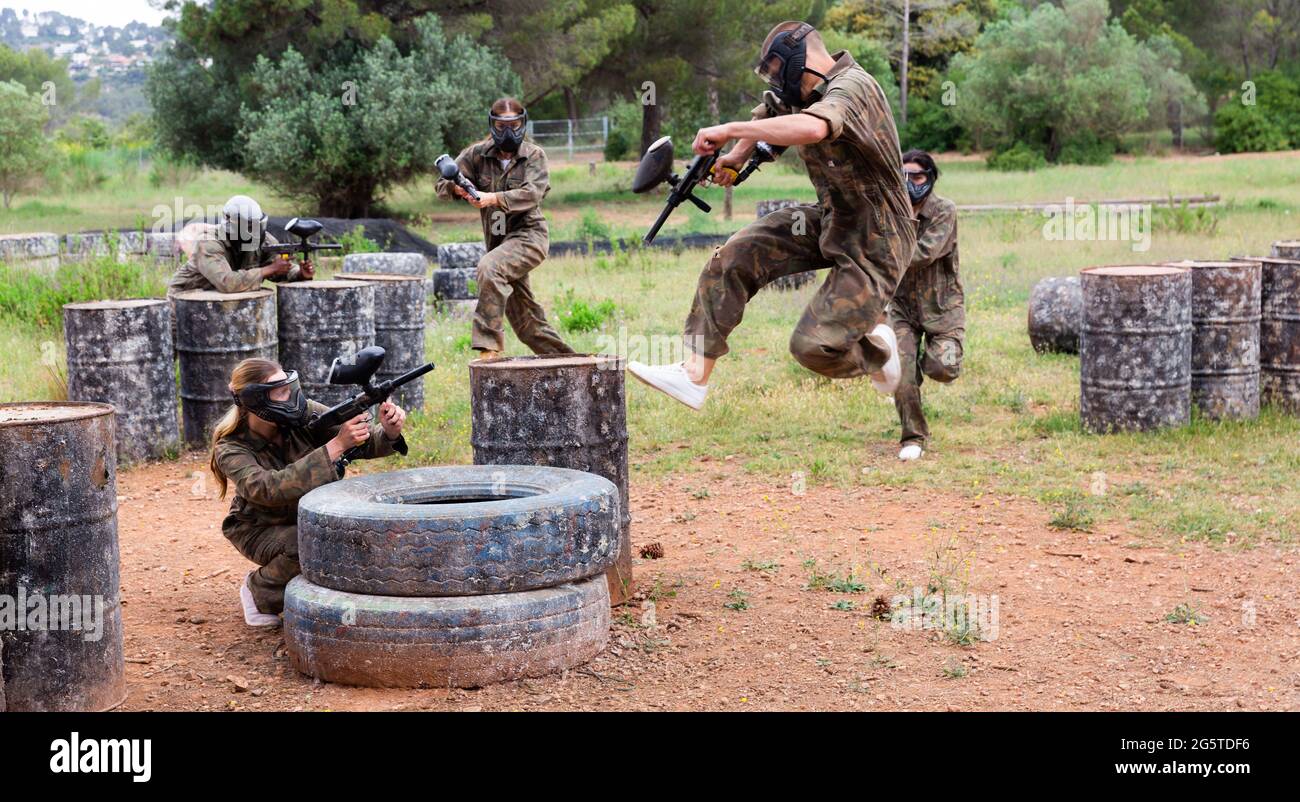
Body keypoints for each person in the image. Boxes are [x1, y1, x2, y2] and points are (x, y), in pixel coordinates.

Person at [627, 21, 917, 411]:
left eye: (779, 70)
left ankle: (880, 356)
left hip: (880, 235)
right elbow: (771, 111)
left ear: (800, 56)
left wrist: (729, 129)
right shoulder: (801, 92)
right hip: (833, 216)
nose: (778, 82)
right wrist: (735, 156)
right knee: (735, 255)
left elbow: (813, 128)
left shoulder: (852, 87)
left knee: (812, 347)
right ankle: (694, 376)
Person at [209, 358, 406, 626]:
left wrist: (389, 431)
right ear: (255, 399)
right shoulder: (231, 447)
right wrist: (335, 447)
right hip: (258, 527)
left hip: (307, 514)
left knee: (351, 539)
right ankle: (259, 592)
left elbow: (365, 443)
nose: (289, 396)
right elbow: (267, 489)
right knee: (307, 545)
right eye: (279, 392)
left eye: (288, 387)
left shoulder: (304, 415)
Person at [434, 97, 573, 361]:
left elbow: (532, 194)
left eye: (514, 124)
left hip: (529, 236)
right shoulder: (477, 154)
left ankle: (489, 349)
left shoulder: (534, 156)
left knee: (490, 267)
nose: (508, 132)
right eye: (500, 125)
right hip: (499, 242)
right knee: (528, 324)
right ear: (492, 124)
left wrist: (493, 198)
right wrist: (456, 187)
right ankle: (571, 364)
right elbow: (441, 185)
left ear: (523, 124)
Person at [890, 150, 963, 461]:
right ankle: (913, 436)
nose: (910, 183)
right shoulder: (891, 211)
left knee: (942, 368)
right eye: (904, 176)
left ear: (930, 178)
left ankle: (928, 364)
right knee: (900, 373)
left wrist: (883, 252)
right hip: (902, 307)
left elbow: (924, 253)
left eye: (917, 177)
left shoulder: (945, 211)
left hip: (942, 308)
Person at [167, 195, 314, 300]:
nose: (255, 232)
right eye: (249, 228)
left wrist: (299, 273)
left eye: (258, 226)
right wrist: (269, 269)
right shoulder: (208, 243)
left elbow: (277, 268)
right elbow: (227, 283)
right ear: (233, 227)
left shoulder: (263, 239)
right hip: (184, 301)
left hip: (221, 304)